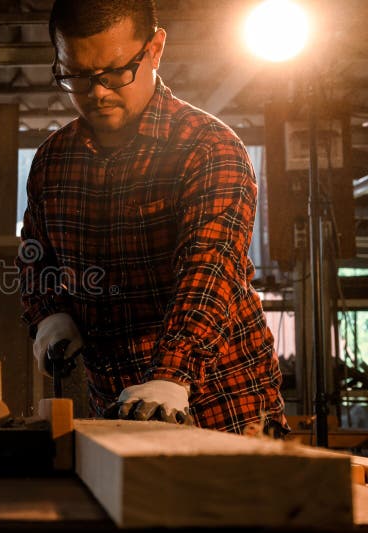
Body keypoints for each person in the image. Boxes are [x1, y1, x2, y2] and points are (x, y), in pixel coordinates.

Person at [17, 0, 288, 436]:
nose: (98, 92)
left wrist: (172, 374)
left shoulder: (209, 149)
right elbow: (36, 255)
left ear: (155, 49)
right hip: (116, 404)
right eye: (77, 76)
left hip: (222, 403)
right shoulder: (53, 161)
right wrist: (49, 313)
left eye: (115, 72)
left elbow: (209, 269)